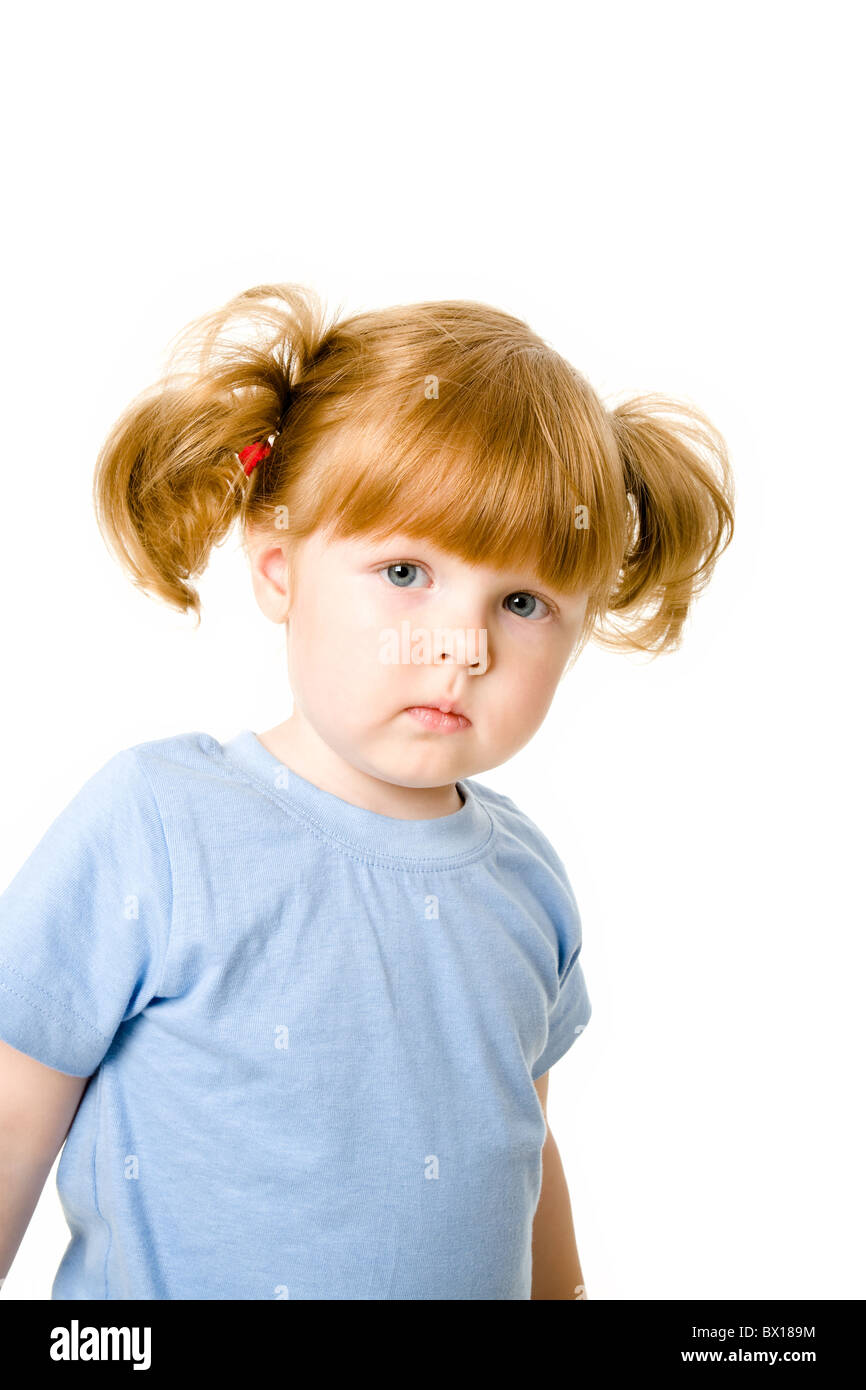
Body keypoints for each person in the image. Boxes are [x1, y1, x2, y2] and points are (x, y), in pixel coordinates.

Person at [0, 283, 734, 1300]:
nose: (458, 644)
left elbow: (519, 1139)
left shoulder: (527, 884)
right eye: (402, 572)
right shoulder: (156, 824)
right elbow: (13, 1107)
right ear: (277, 568)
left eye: (521, 602)